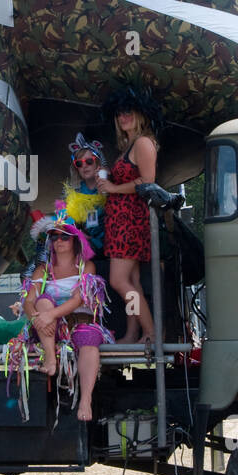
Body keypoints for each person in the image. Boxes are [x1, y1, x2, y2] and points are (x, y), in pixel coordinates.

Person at [8, 213, 112, 421]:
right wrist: (37, 317)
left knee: (90, 341)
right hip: (49, 328)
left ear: (75, 240)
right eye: (54, 237)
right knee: (43, 300)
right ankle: (50, 358)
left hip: (79, 322)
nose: (59, 241)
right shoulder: (42, 270)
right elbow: (29, 301)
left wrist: (49, 316)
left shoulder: (86, 267)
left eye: (64, 236)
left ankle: (85, 400)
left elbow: (79, 299)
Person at [98, 89, 160, 345]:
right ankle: (134, 332)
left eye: (128, 111)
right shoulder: (129, 146)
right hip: (119, 220)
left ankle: (151, 332)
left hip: (130, 221)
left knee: (119, 280)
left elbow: (147, 182)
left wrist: (113, 188)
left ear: (139, 114)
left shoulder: (143, 143)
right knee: (131, 281)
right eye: (119, 113)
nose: (123, 117)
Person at [61, 133, 107, 257]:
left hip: (110, 243)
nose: (84, 166)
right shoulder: (75, 193)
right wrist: (79, 233)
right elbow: (66, 221)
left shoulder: (110, 186)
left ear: (97, 163)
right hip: (86, 246)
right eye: (79, 164)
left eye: (89, 161)